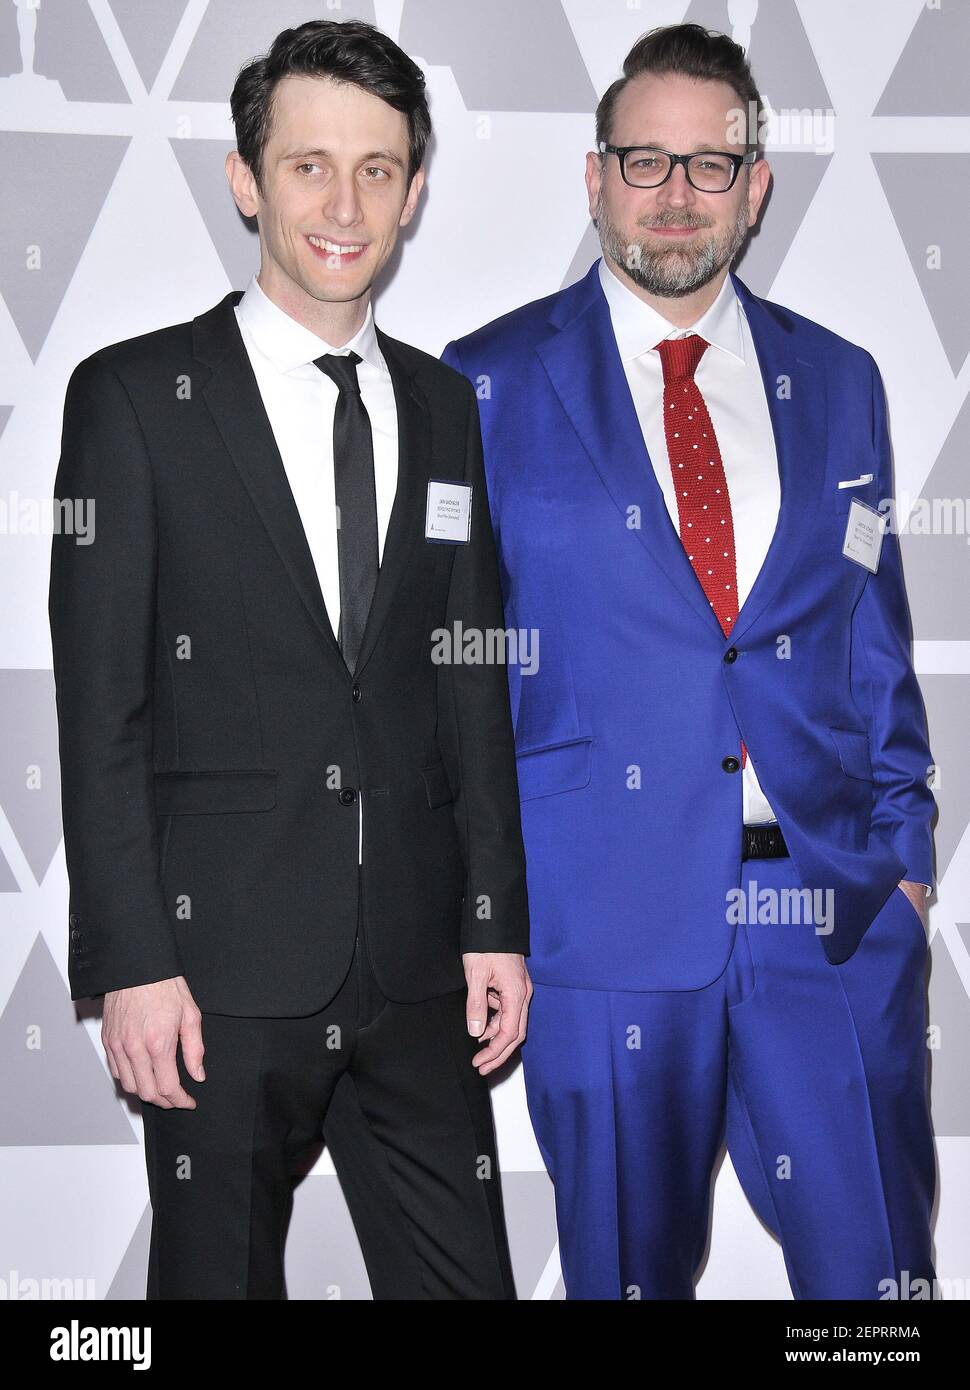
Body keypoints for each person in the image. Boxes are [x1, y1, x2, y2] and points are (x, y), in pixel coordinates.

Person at [442, 22, 936, 1300]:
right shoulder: (482, 385)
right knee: (621, 1284)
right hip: (595, 923)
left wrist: (904, 855)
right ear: (595, 175)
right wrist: (482, 909)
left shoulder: (840, 380)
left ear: (757, 185)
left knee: (875, 1293)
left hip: (823, 918)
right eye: (644, 160)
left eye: (709, 166)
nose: (674, 195)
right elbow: (450, 680)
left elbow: (868, 626)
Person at [49, 18, 531, 1301]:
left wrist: (493, 918)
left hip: (419, 970)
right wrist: (130, 962)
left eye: (377, 168)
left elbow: (468, 675)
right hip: (215, 977)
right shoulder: (135, 400)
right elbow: (102, 711)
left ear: (416, 192)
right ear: (246, 179)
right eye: (309, 165)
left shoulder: (443, 408)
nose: (344, 202)